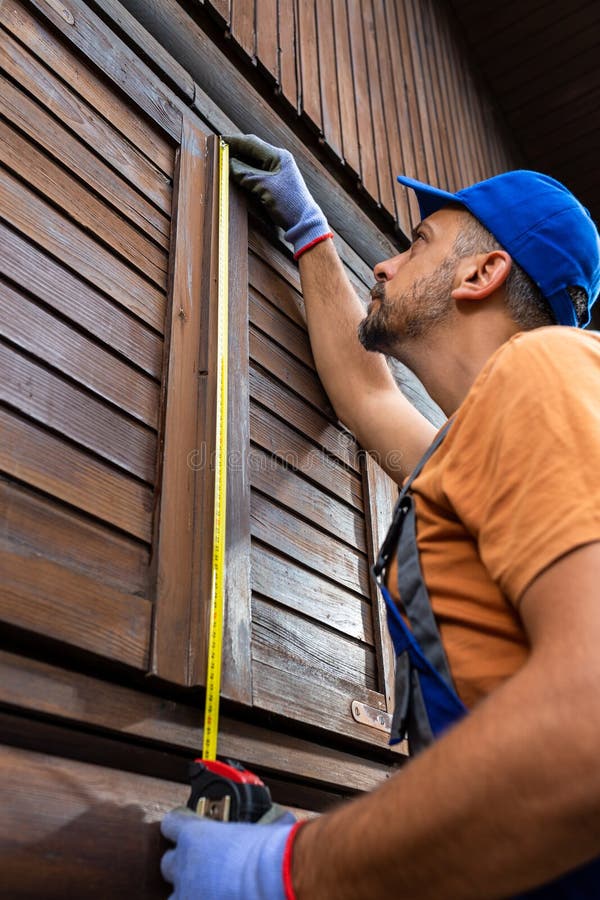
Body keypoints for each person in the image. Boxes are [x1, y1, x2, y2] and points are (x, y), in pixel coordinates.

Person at [160, 135, 600, 899]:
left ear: (482, 273)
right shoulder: (468, 451)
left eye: (420, 242)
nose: (386, 265)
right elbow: (370, 400)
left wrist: (288, 871)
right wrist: (308, 234)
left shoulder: (545, 369)